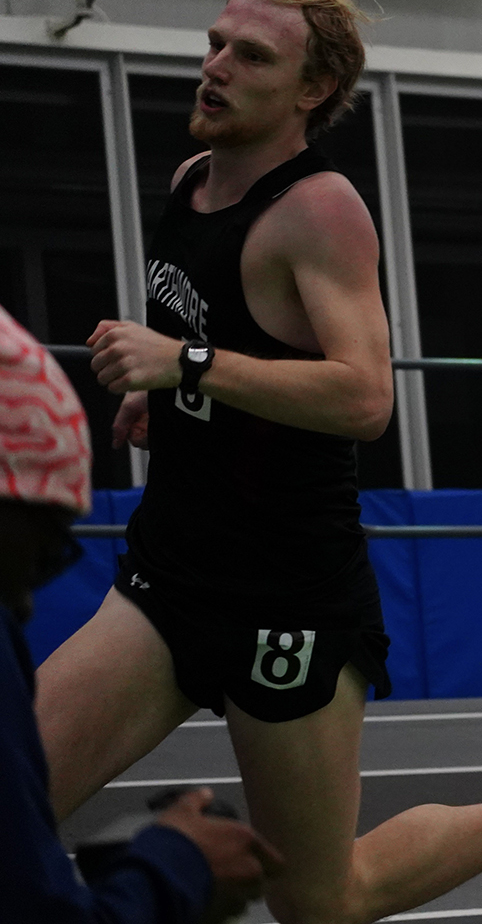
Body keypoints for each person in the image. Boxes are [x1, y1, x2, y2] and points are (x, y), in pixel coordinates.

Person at [33, 0, 482, 924]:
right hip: (167, 576)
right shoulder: (191, 180)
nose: (216, 67)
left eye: (251, 55)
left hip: (288, 599)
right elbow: (231, 350)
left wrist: (186, 364)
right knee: (13, 801)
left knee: (319, 903)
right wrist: (170, 402)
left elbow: (365, 396)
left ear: (312, 89)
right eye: (215, 44)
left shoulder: (321, 209)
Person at [1, 303, 284, 924]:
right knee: (322, 899)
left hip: (237, 578)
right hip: (187, 578)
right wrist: (174, 865)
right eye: (37, 556)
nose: (24, 604)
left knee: (323, 897)